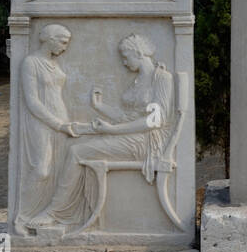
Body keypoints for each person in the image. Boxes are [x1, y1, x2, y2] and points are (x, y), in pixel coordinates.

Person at [27, 33, 174, 231]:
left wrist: (114, 131)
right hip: (131, 135)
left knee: (77, 151)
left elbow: (156, 120)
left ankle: (55, 211)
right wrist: (100, 107)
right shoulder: (138, 80)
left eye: (126, 56)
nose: (123, 62)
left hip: (147, 142)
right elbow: (126, 116)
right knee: (84, 140)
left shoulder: (161, 77)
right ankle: (71, 210)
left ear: (138, 53)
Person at [15, 24, 76, 231]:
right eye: (63, 42)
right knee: (41, 170)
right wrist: (58, 124)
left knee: (59, 170)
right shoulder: (31, 63)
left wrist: (64, 123)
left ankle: (50, 215)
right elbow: (32, 102)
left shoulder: (54, 63)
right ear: (50, 38)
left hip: (61, 119)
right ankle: (21, 217)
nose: (65, 47)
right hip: (41, 122)